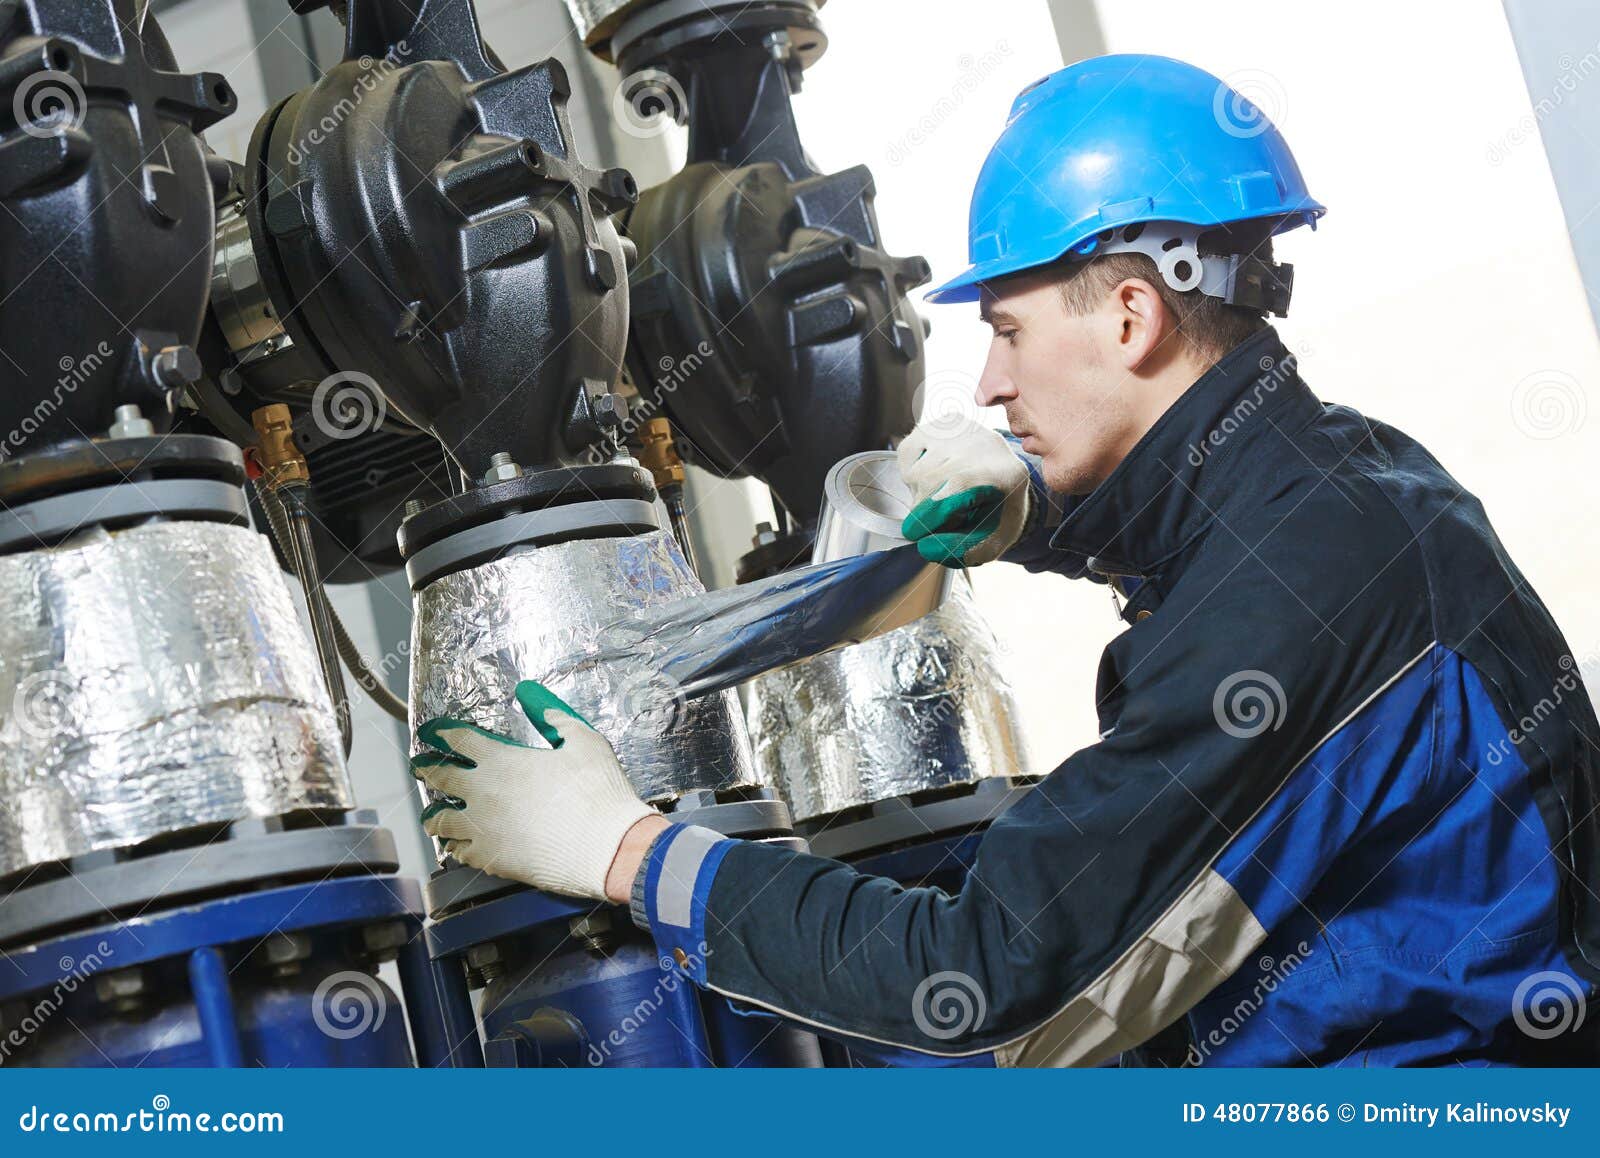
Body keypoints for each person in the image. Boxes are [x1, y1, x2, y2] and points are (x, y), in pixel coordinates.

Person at [414, 55, 1600, 1065]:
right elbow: (1208, 529)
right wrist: (1032, 514)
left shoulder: (1285, 612)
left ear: (1130, 317)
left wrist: (628, 852)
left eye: (1008, 331)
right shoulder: (1349, 484)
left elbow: (977, 973)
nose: (986, 385)